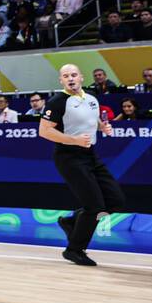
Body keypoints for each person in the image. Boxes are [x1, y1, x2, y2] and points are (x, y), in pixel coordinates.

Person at [40, 64, 123, 266]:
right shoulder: (57, 101)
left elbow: (91, 121)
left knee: (115, 201)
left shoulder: (91, 98)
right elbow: (44, 131)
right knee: (94, 206)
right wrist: (74, 140)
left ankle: (71, 221)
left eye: (74, 75)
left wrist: (104, 126)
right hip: (69, 157)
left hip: (90, 155)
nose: (70, 78)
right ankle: (74, 250)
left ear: (81, 77)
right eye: (66, 76)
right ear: (61, 80)